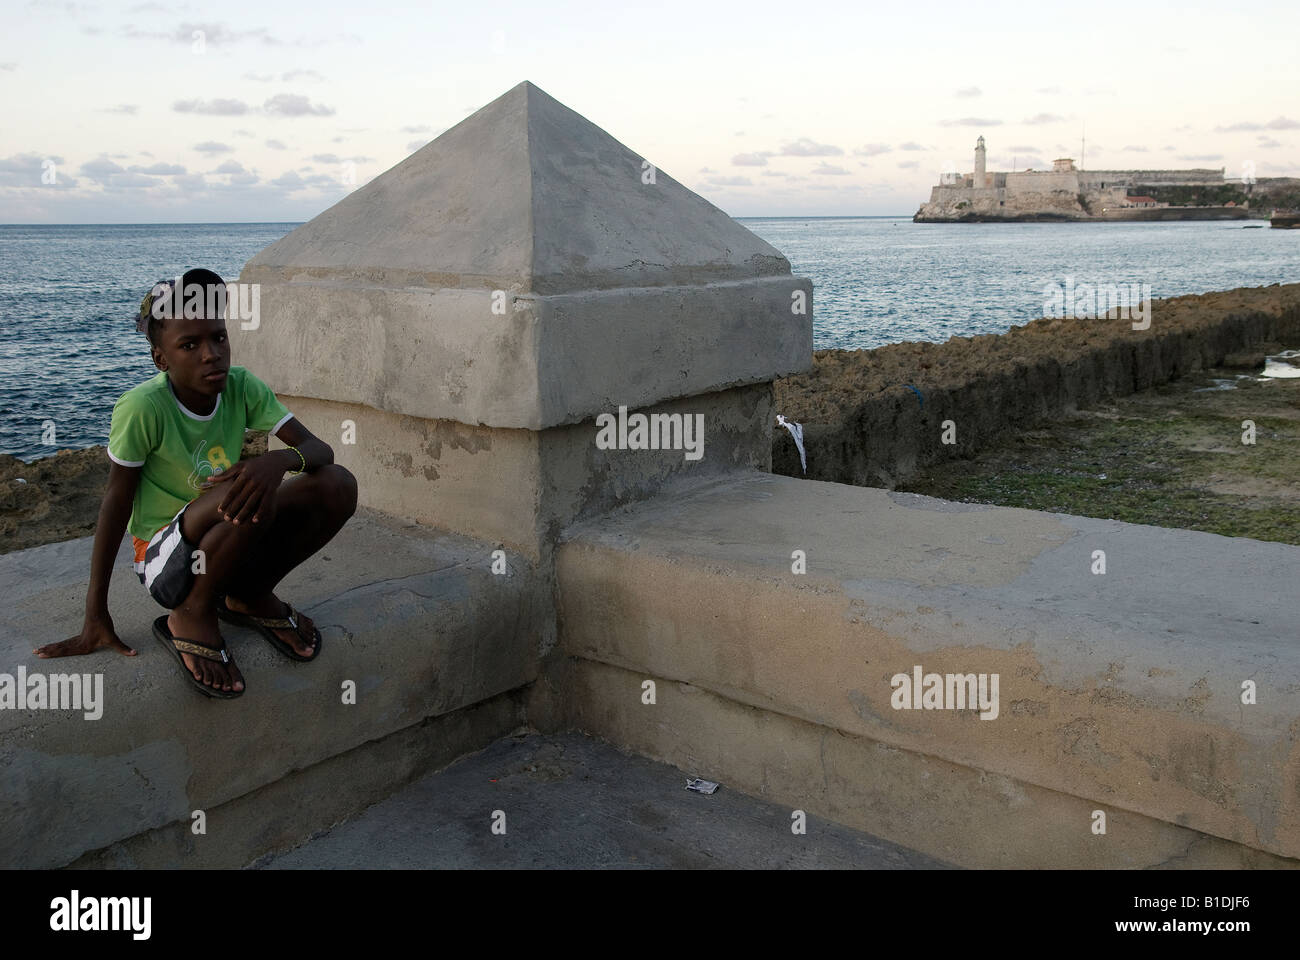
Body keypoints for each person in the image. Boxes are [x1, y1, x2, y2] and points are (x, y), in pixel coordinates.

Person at [33, 268, 358, 699]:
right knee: (244, 490)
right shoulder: (143, 407)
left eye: (218, 337)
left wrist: (278, 460)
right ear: (161, 359)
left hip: (227, 538)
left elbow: (320, 452)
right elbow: (115, 503)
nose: (211, 354)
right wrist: (95, 613)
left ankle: (248, 596)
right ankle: (190, 614)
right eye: (190, 344)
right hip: (165, 562)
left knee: (336, 484)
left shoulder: (241, 386)